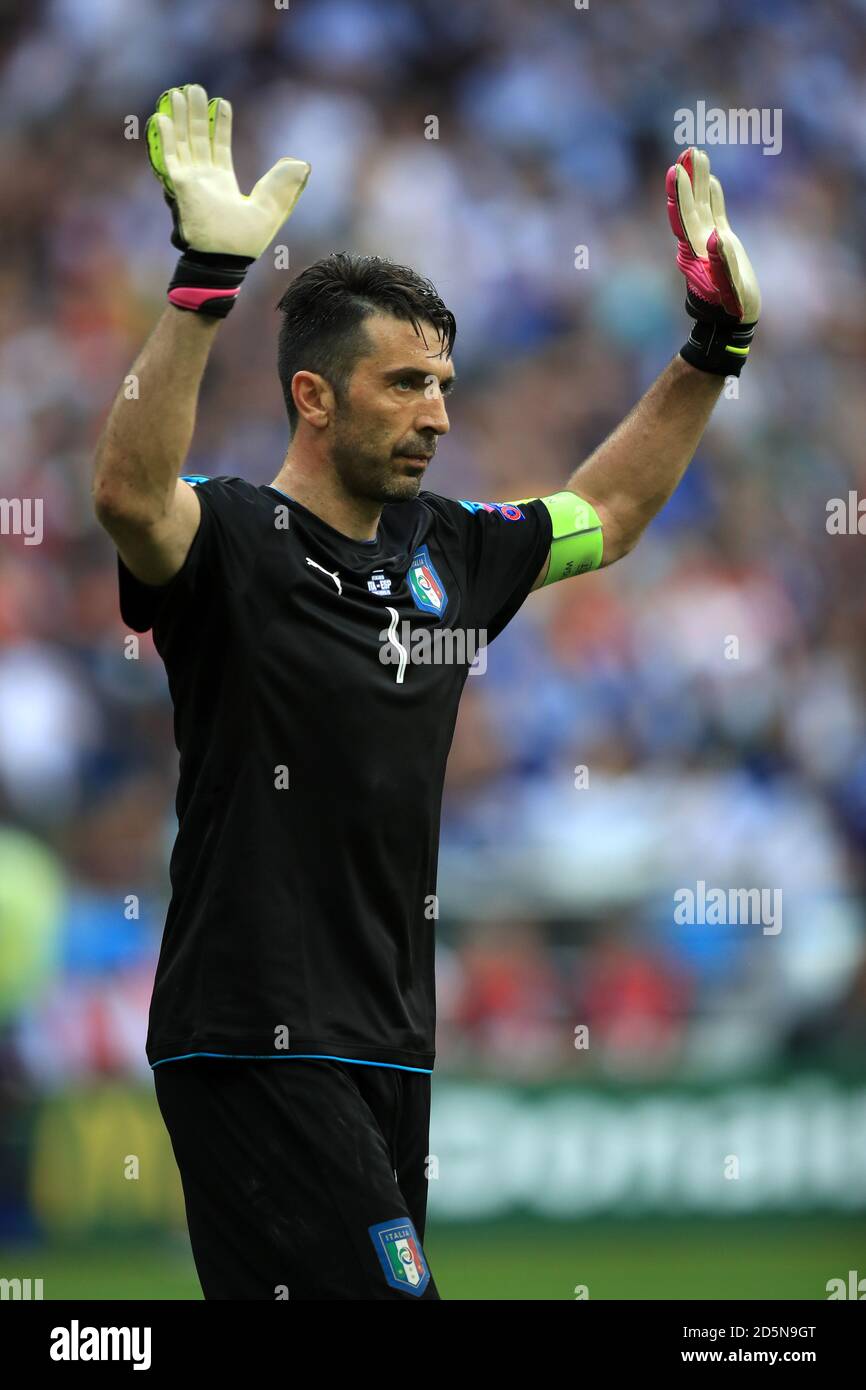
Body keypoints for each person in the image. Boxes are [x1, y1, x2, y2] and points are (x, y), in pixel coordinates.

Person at [91, 83, 760, 1300]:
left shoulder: (449, 548)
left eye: (443, 382)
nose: (438, 414)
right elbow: (131, 498)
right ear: (313, 396)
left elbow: (604, 513)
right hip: (254, 1028)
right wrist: (201, 284)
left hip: (392, 1039)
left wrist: (711, 352)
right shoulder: (234, 539)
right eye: (404, 384)